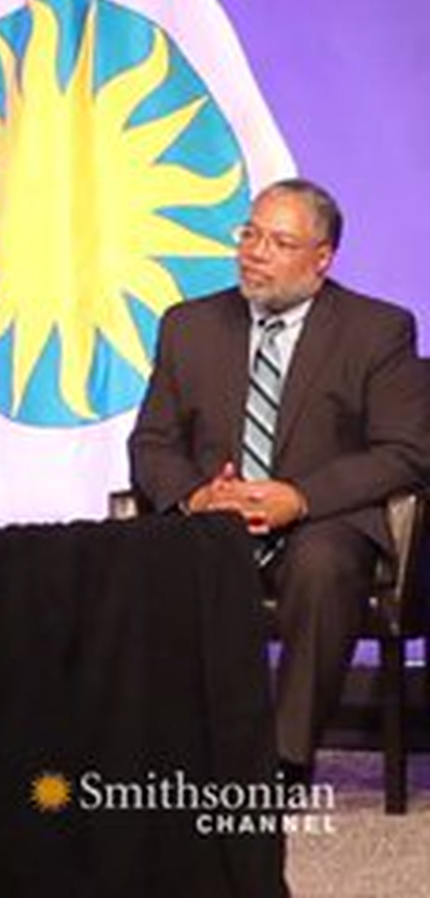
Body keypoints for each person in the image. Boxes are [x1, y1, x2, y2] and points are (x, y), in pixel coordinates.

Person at [129, 178, 430, 784]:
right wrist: (196, 496)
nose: (255, 252)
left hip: (324, 522)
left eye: (279, 241)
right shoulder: (189, 326)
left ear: (322, 258)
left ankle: (285, 762)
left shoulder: (377, 330)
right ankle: (165, 753)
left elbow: (407, 452)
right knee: (145, 555)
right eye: (250, 234)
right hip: (215, 522)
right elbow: (151, 443)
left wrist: (301, 497)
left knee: (322, 564)